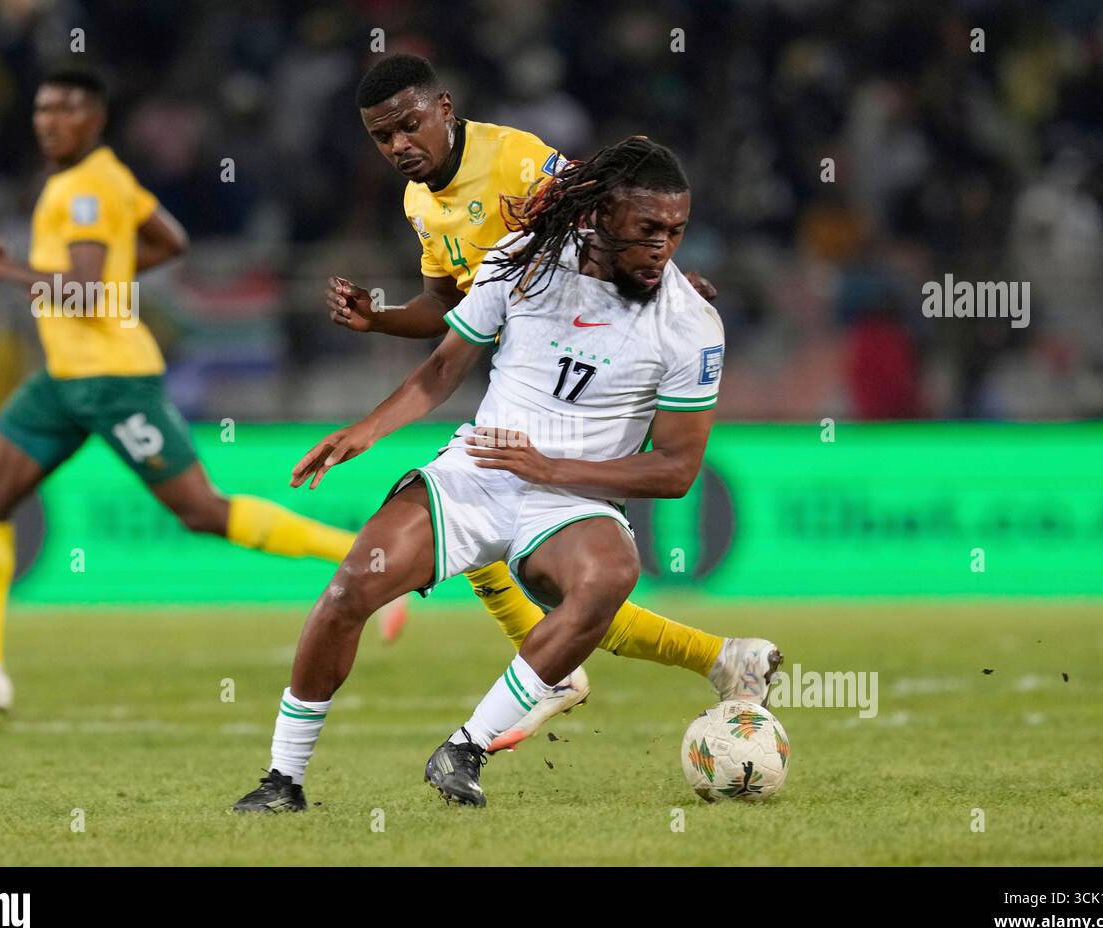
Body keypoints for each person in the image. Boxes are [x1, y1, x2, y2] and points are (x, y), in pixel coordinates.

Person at [234, 135, 767, 812]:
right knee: (347, 593)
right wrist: (365, 429)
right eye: (647, 230)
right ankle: (283, 780)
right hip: (479, 470)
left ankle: (466, 749)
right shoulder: (521, 261)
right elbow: (443, 368)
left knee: (609, 575)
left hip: (575, 498)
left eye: (676, 231)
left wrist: (552, 467)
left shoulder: (692, 324)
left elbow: (678, 469)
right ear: (601, 216)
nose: (663, 247)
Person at [0, 69, 402, 714]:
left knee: (201, 511)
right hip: (63, 377)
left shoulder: (83, 189)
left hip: (113, 379)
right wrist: (111, 271)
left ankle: (365, 559)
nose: (49, 121)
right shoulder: (109, 179)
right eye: (42, 109)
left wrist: (5, 268)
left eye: (66, 110)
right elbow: (172, 241)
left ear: (95, 120)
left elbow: (82, 292)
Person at [319, 53, 780, 749]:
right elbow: (447, 305)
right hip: (511, 349)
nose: (398, 146)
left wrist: (672, 282)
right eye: (383, 138)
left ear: (444, 108)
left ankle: (660, 663)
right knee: (481, 534)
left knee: (558, 568)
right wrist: (378, 317)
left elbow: (611, 207)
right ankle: (716, 659)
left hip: (585, 361)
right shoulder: (420, 203)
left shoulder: (515, 158)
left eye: (408, 126)